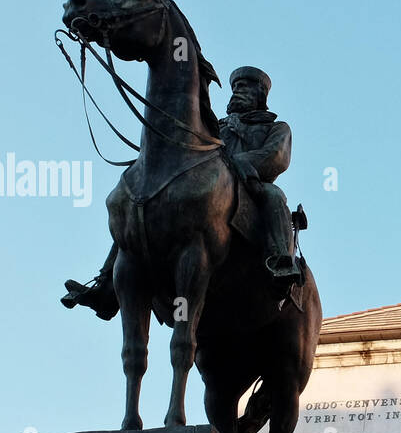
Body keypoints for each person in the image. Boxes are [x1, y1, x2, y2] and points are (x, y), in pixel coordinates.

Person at [61, 65, 301, 319]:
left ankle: (280, 262)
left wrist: (239, 164)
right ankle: (106, 285)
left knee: (274, 196)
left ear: (260, 94)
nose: (238, 91)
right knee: (138, 205)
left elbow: (276, 157)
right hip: (213, 187)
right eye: (235, 87)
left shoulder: (276, 127)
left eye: (246, 87)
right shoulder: (216, 126)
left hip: (249, 184)